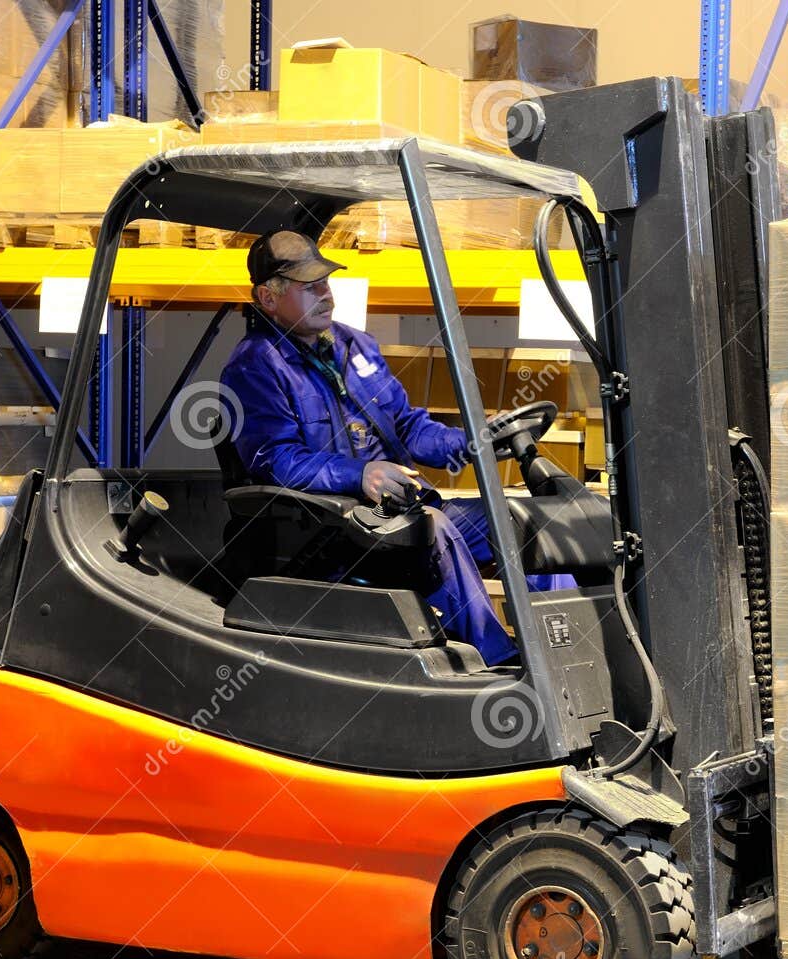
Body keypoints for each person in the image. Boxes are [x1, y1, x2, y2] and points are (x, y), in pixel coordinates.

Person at [220, 230, 563, 665]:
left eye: (326, 283)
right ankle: (503, 661)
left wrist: (473, 440)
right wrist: (360, 475)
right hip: (330, 530)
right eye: (310, 288)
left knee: (523, 521)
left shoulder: (353, 345)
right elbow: (276, 460)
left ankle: (563, 650)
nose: (326, 294)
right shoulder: (254, 366)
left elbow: (409, 427)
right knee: (432, 527)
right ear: (268, 299)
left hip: (395, 512)